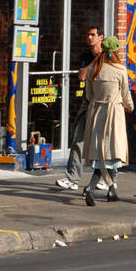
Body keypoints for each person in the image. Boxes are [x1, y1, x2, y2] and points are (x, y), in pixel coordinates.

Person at [81, 36, 134, 203]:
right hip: (114, 113)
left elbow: (89, 95)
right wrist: (130, 106)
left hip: (96, 113)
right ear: (116, 50)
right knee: (112, 153)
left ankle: (111, 190)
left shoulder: (94, 69)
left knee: (101, 153)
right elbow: (126, 94)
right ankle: (91, 188)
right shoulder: (120, 69)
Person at [56, 25, 104, 191]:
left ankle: (108, 178)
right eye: (88, 35)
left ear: (101, 37)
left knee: (104, 142)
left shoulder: (109, 57)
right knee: (78, 139)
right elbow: (82, 75)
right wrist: (97, 59)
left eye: (93, 35)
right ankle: (72, 177)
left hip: (103, 102)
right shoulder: (86, 56)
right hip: (88, 101)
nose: (90, 38)